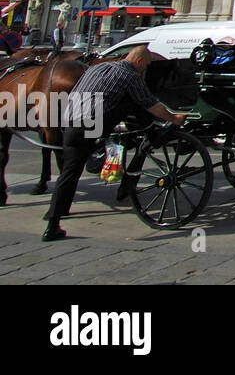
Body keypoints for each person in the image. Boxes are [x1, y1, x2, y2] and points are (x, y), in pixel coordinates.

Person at [42, 45, 187, 242]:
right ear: (138, 61)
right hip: (93, 125)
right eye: (146, 64)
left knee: (68, 175)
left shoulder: (95, 68)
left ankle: (52, 225)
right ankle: (152, 132)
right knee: (135, 100)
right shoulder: (129, 75)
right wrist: (172, 118)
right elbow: (149, 104)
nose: (146, 68)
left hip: (70, 125)